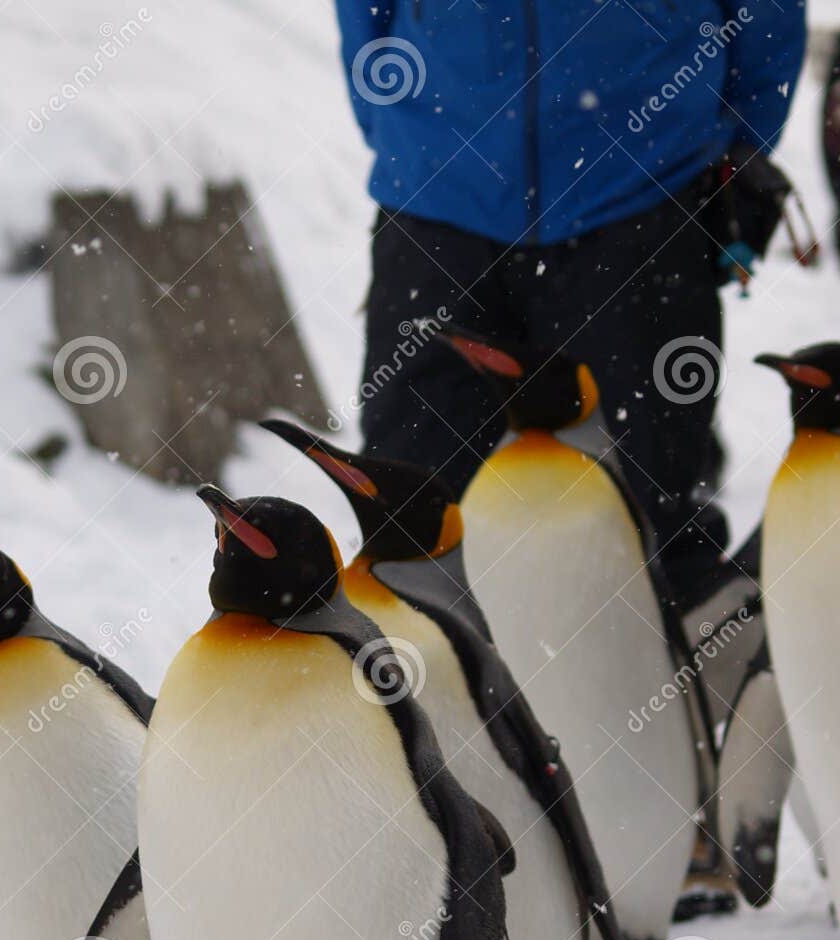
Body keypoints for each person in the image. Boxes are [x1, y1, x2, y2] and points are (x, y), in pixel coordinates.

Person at [336, 1, 807, 597]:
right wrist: (408, 129)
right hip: (438, 206)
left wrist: (741, 149)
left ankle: (669, 684)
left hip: (640, 197)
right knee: (411, 519)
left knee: (648, 517)